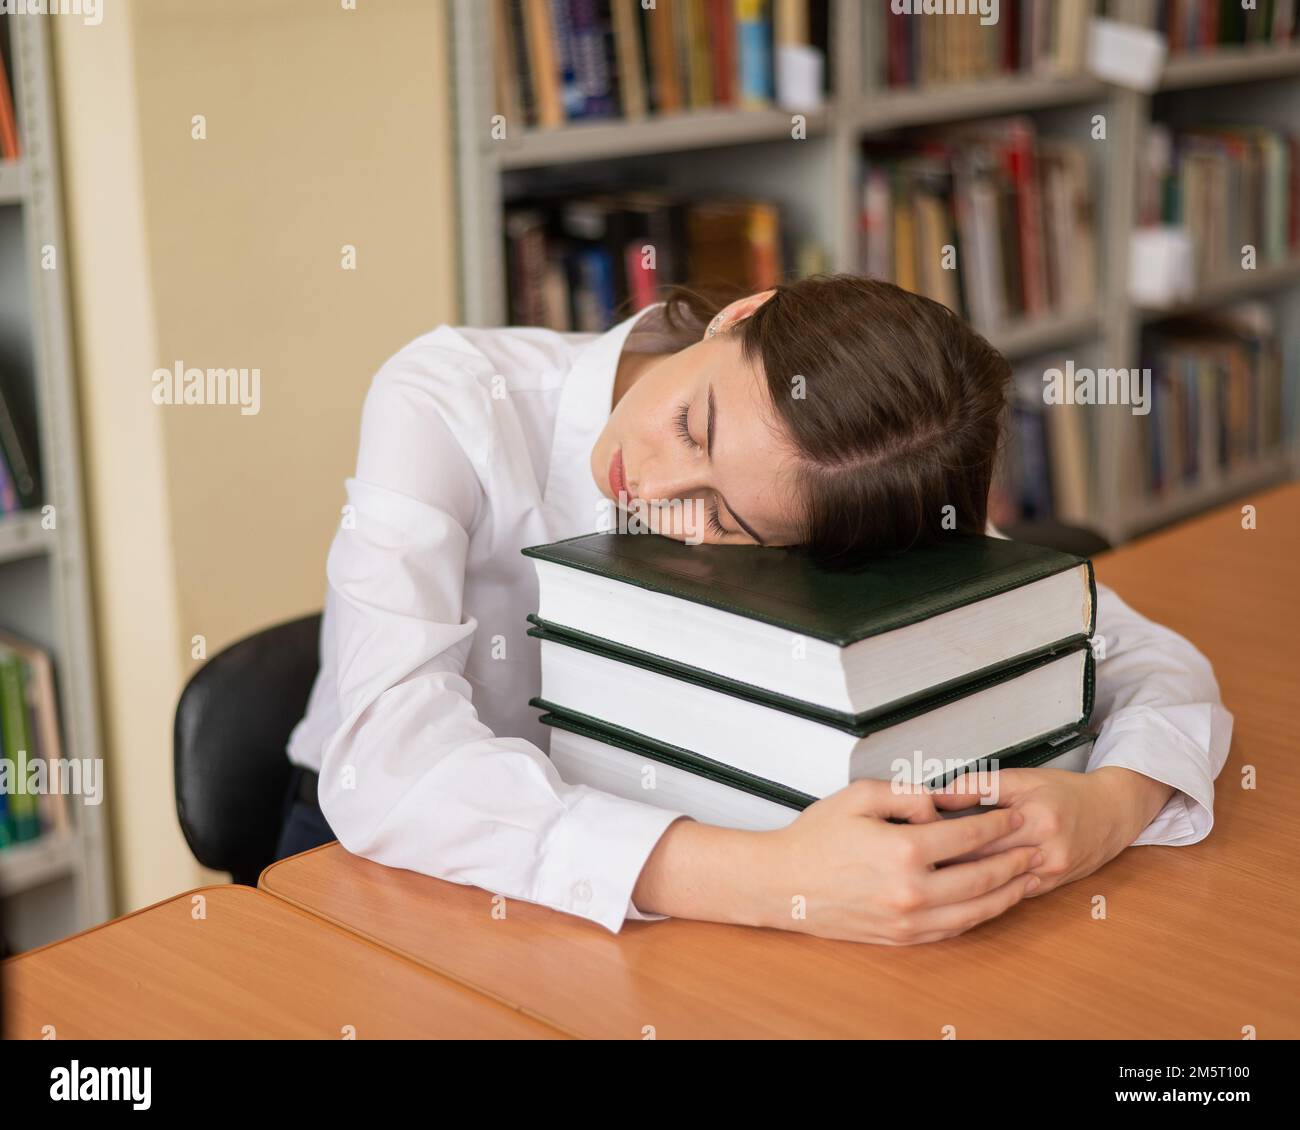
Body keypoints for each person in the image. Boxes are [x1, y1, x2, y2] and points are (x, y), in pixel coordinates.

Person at [278, 275, 1232, 945]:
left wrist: (1113, 805)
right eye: (696, 422)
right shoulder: (449, 398)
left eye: (727, 518)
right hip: (392, 855)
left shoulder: (845, 481)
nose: (654, 486)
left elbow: (1141, 653)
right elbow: (387, 765)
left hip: (681, 852)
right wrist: (778, 884)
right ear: (742, 314)